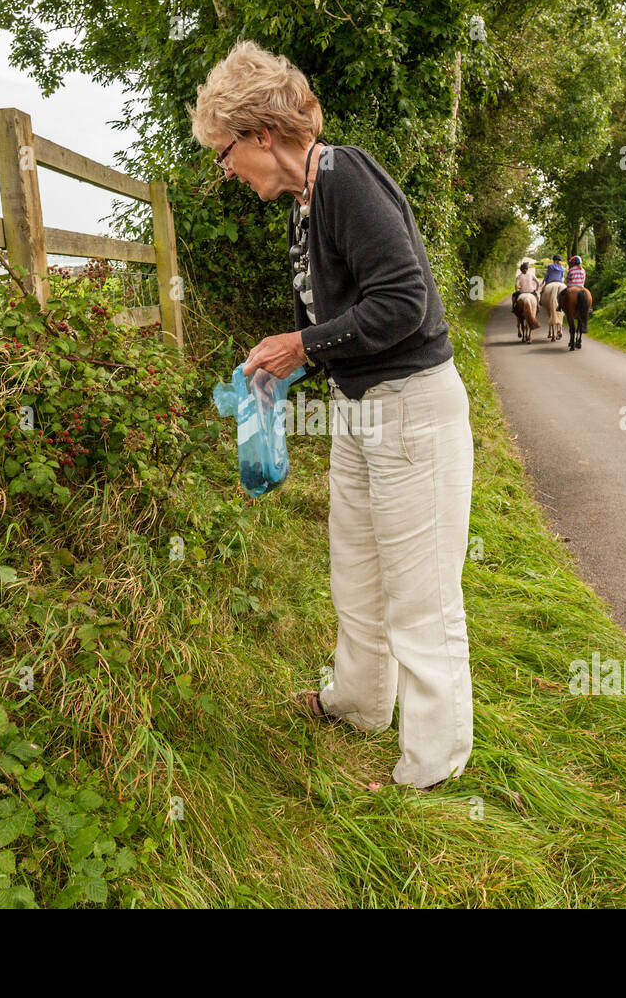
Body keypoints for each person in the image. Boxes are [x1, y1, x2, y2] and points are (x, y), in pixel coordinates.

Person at [188, 40, 475, 792]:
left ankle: (432, 765)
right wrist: (285, 362)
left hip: (411, 408)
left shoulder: (345, 176)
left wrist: (302, 344)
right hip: (359, 410)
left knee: (420, 595)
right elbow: (334, 322)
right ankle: (357, 703)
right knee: (356, 573)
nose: (223, 171)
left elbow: (403, 301)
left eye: (222, 153)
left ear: (259, 134)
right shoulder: (306, 204)